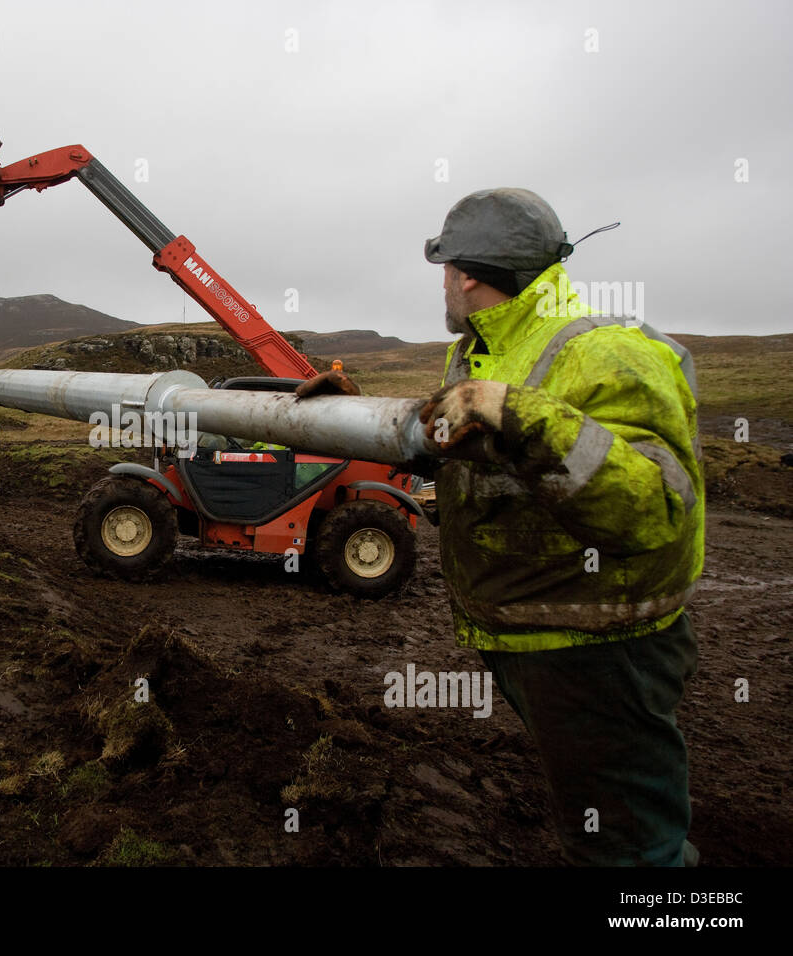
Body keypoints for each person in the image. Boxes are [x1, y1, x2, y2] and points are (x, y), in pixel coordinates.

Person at [299, 187, 704, 867]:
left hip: (597, 644)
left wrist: (520, 415)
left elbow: (658, 504)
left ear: (469, 273)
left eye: (445, 270)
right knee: (605, 823)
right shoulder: (482, 352)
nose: (445, 288)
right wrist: (357, 414)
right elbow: (457, 434)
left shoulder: (605, 352)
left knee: (627, 849)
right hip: (530, 627)